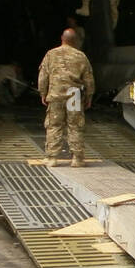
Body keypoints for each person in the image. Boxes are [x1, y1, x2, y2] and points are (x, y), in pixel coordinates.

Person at [38, 29, 95, 168]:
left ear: (62, 38)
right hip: (73, 95)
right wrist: (89, 96)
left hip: (56, 94)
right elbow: (89, 80)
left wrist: (43, 93)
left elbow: (43, 76)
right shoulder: (81, 56)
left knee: (54, 126)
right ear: (75, 41)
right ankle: (77, 158)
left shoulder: (51, 54)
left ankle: (52, 158)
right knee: (75, 126)